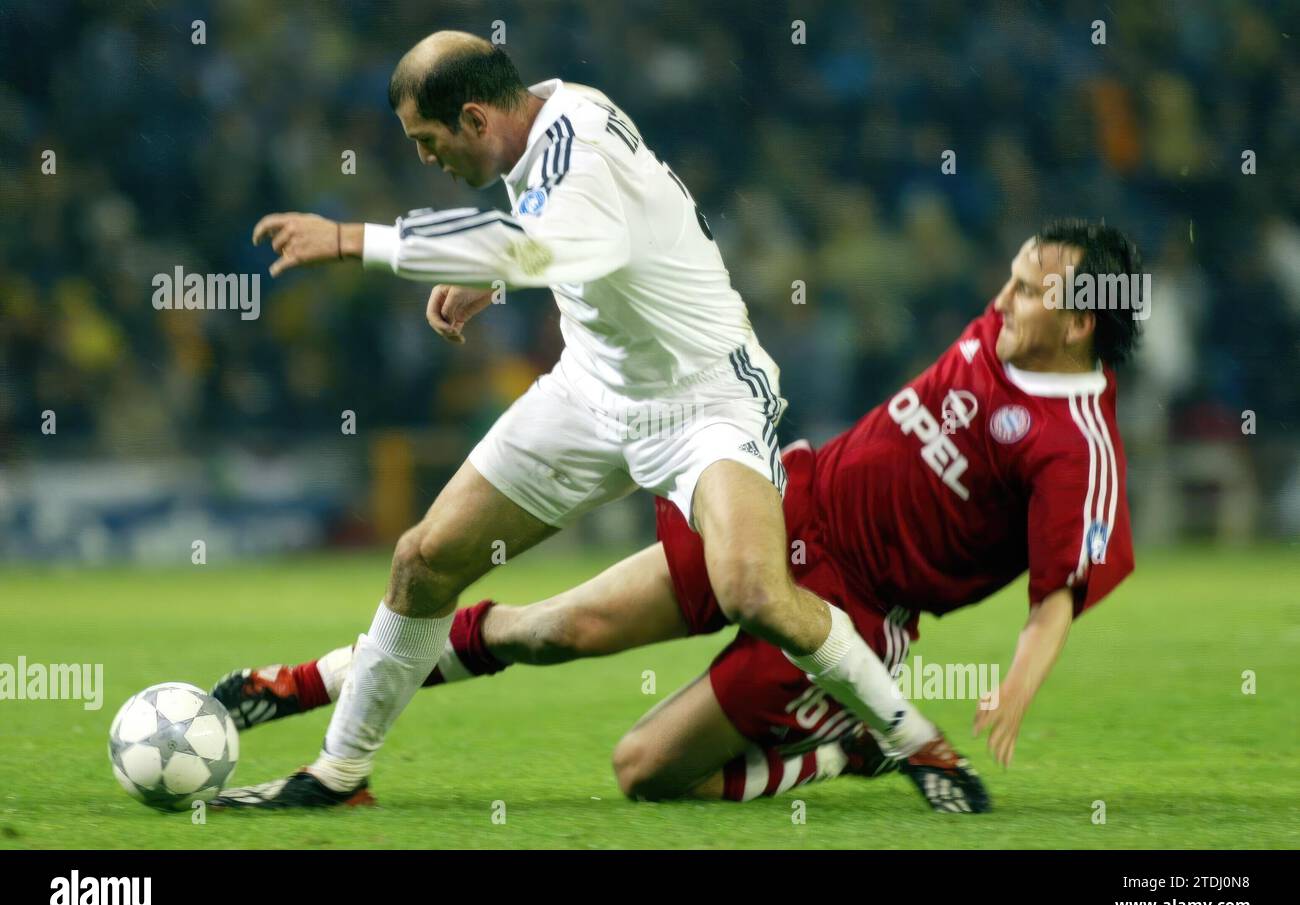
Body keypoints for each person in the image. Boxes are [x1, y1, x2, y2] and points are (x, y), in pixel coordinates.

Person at [217, 32, 949, 809]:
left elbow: (538, 241)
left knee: (755, 594)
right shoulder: (538, 128)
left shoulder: (582, 144)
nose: (426, 159)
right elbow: (554, 243)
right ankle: (338, 774)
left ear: (472, 116)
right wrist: (493, 280)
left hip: (705, 402)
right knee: (425, 559)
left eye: (427, 143)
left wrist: (350, 239)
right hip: (592, 392)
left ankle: (913, 744)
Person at [214, 222, 1139, 812]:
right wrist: (496, 271)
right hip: (788, 503)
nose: (1002, 297)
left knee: (647, 772)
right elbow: (594, 242)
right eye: (1013, 275)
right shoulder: (1001, 330)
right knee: (553, 628)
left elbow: (1058, 591)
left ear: (1084, 323)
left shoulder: (1076, 446)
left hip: (853, 610)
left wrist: (1015, 689)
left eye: (1030, 290)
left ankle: (843, 750)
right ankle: (300, 685)